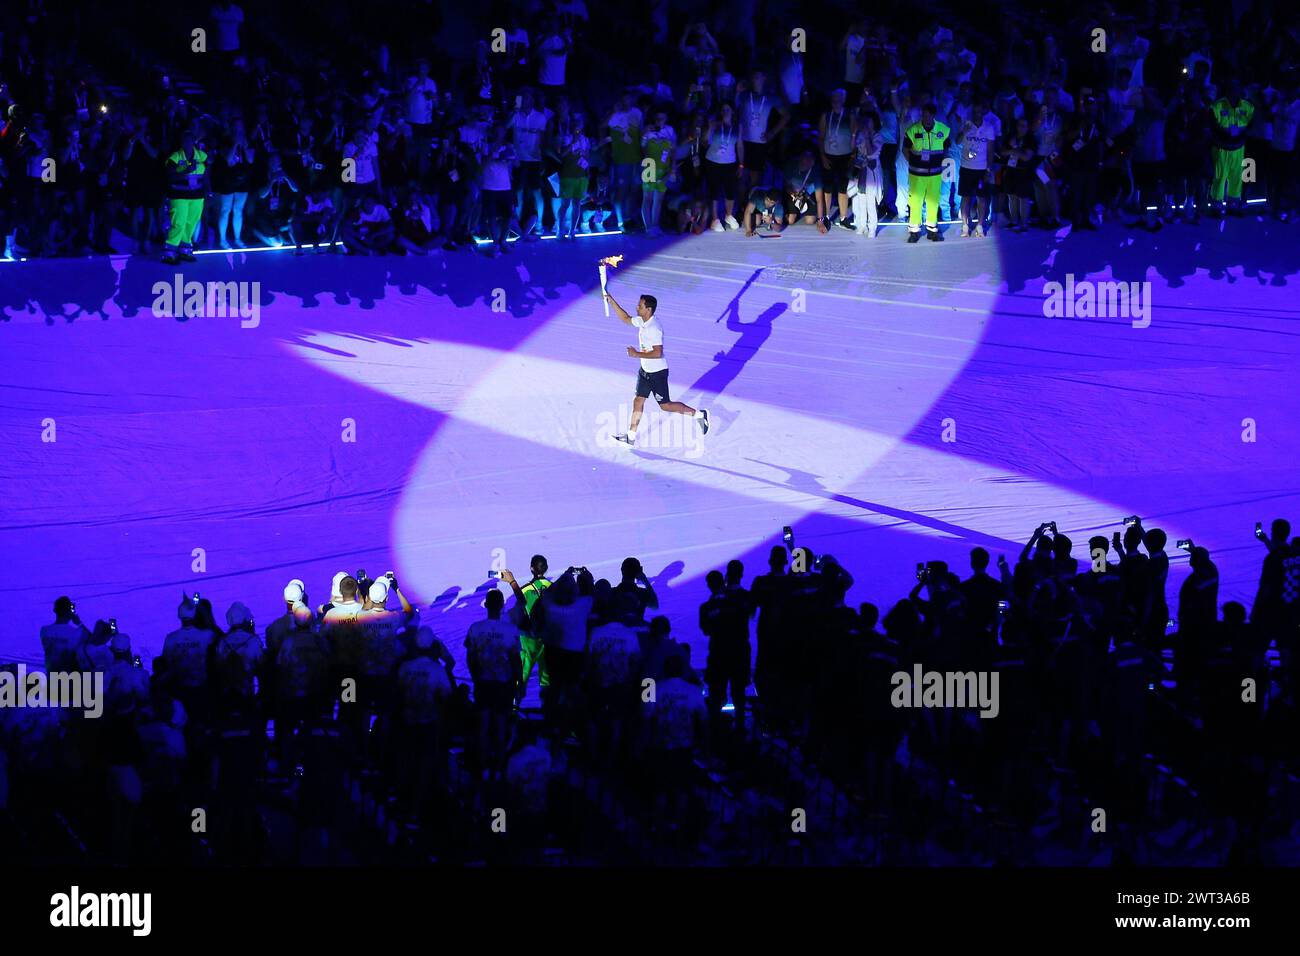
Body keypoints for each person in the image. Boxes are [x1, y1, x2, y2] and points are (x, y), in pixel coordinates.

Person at [602, 283, 709, 446]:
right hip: (645, 371)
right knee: (638, 401)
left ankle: (699, 415)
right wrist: (611, 301)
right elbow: (625, 318)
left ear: (648, 309)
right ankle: (630, 437)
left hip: (657, 373)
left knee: (665, 406)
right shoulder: (642, 321)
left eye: (640, 305)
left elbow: (658, 353)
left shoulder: (654, 328)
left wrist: (636, 354)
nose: (637, 307)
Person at [466, 588, 522, 777]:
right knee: (500, 725)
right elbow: (515, 660)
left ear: (486, 604)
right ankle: (498, 766)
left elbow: (471, 658)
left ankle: (482, 766)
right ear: (502, 606)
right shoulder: (511, 630)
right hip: (503, 684)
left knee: (483, 725)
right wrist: (519, 684)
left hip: (483, 683)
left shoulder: (475, 628)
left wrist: (475, 678)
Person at [500, 555, 551, 704]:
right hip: (547, 640)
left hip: (528, 640)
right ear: (546, 568)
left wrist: (511, 582)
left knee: (520, 678)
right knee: (547, 681)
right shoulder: (554, 587)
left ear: (531, 568)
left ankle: (514, 711)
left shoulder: (526, 589)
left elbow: (520, 604)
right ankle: (549, 714)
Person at [902, 102, 950, 242]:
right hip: (917, 174)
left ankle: (932, 230)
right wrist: (912, 162)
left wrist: (941, 162)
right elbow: (904, 149)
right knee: (915, 201)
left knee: (933, 201)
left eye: (928, 115)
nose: (926, 118)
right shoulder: (913, 130)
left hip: (935, 174)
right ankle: (914, 231)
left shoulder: (944, 130)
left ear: (934, 115)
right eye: (924, 115)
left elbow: (946, 148)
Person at [161, 128, 208, 264]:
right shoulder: (175, 157)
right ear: (181, 142)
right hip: (179, 195)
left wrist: (207, 189)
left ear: (194, 141)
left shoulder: (202, 156)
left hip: (197, 196)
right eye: (184, 140)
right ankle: (169, 253)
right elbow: (169, 177)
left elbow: (207, 173)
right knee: (178, 223)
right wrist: (187, 170)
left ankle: (184, 250)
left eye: (189, 140)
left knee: (191, 223)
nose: (187, 143)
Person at [1209, 80, 1253, 217]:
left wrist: (1243, 130)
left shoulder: (1248, 106)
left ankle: (1233, 205)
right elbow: (1212, 125)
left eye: (1237, 88)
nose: (1234, 91)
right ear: (1227, 90)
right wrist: (1224, 130)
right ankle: (1216, 206)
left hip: (1239, 148)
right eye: (1231, 88)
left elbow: (1251, 124)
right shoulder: (1217, 105)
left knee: (1237, 177)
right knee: (1219, 177)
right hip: (1221, 149)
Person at [848, 115, 884, 238]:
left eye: (869, 123)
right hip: (860, 169)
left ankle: (872, 227)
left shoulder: (878, 136)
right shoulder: (861, 134)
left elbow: (870, 152)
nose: (867, 125)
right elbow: (852, 147)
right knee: (860, 200)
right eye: (865, 123)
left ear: (874, 124)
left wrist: (867, 137)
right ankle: (862, 225)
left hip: (871, 171)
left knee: (870, 201)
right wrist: (854, 133)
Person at [40, 596, 90, 674]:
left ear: (55, 611)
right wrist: (79, 623)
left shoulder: (44, 630)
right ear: (69, 612)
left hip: (51, 677)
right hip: (68, 679)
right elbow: (93, 640)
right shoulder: (75, 633)